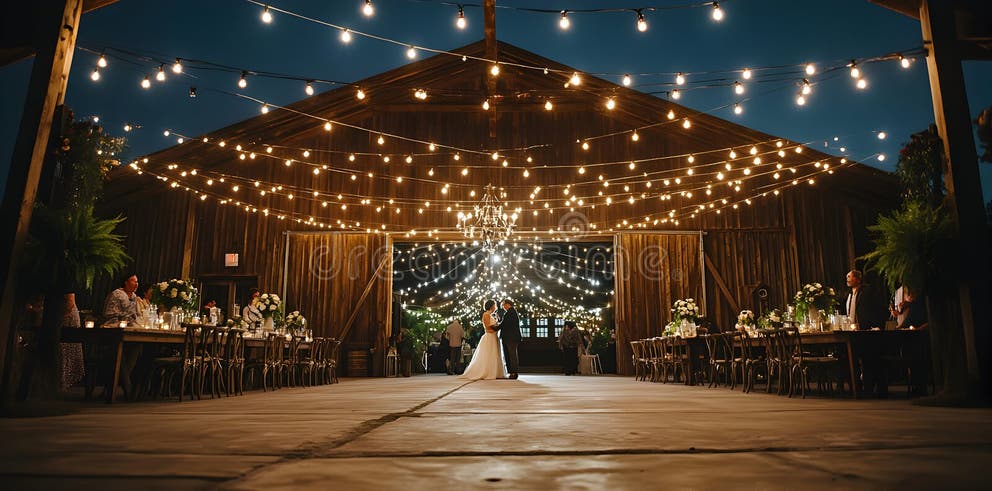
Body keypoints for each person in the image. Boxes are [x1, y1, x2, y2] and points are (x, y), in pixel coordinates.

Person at [460, 299, 507, 380]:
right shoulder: (486, 314)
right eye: (494, 305)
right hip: (489, 336)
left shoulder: (493, 315)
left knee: (495, 355)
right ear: (491, 306)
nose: (495, 306)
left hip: (495, 337)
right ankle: (487, 371)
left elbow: (495, 324)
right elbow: (488, 327)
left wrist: (498, 323)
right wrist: (497, 328)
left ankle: (496, 372)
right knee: (488, 355)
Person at [498, 298, 522, 380]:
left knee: (512, 355)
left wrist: (494, 327)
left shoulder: (510, 312)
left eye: (503, 305)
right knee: (512, 355)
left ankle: (514, 373)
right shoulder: (511, 312)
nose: (503, 307)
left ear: (508, 304)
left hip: (511, 337)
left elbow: (504, 324)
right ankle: (513, 372)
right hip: (511, 337)